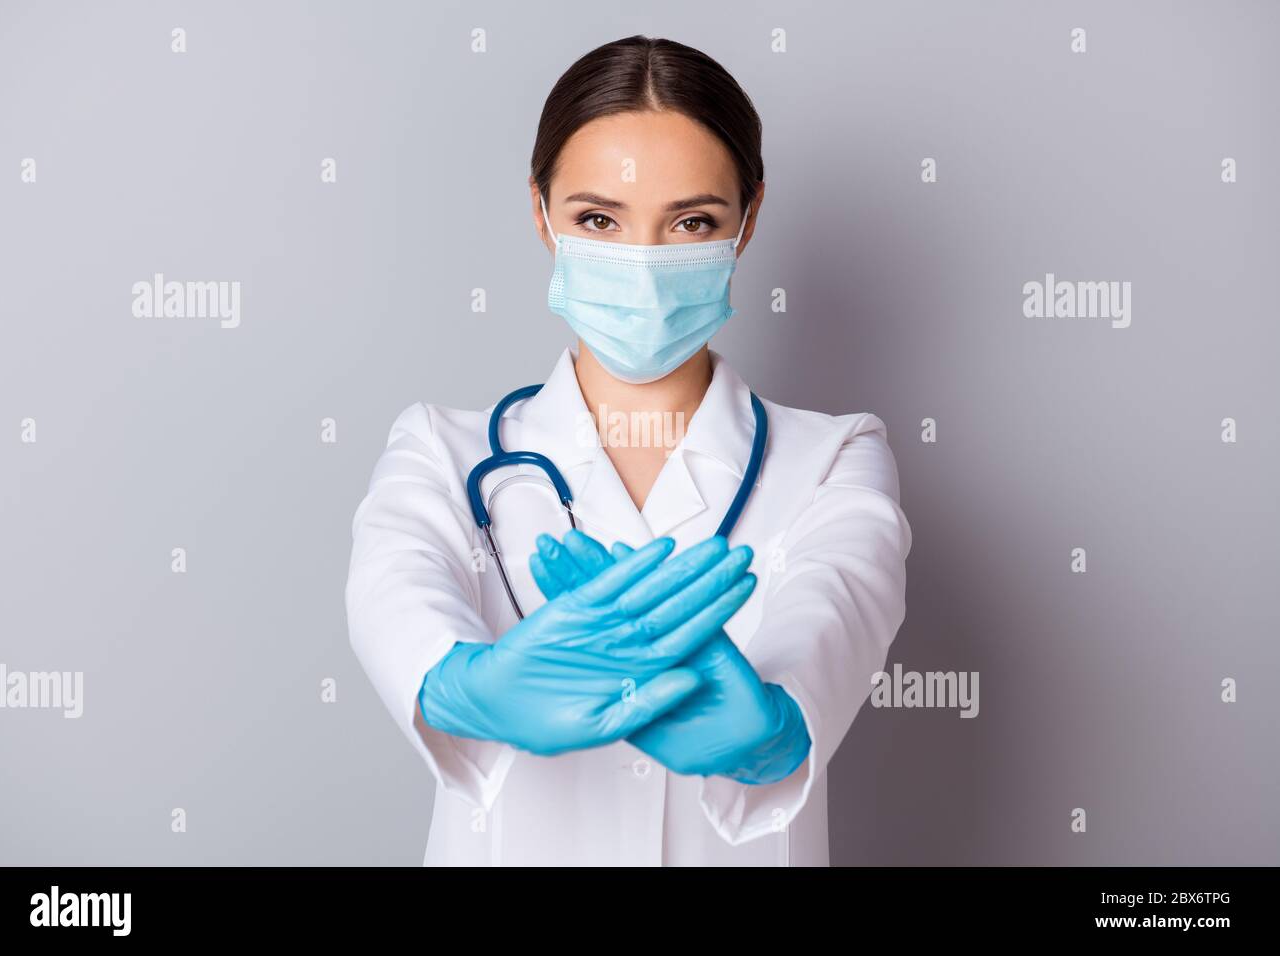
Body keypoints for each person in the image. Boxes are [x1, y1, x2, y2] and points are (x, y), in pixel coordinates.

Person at [346, 35, 912, 866]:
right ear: (541, 214)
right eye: (599, 219)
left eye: (691, 221)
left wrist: (772, 733)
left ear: (749, 220)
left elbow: (835, 622)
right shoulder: (442, 451)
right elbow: (395, 603)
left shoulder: (835, 459)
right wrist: (467, 688)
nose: (643, 266)